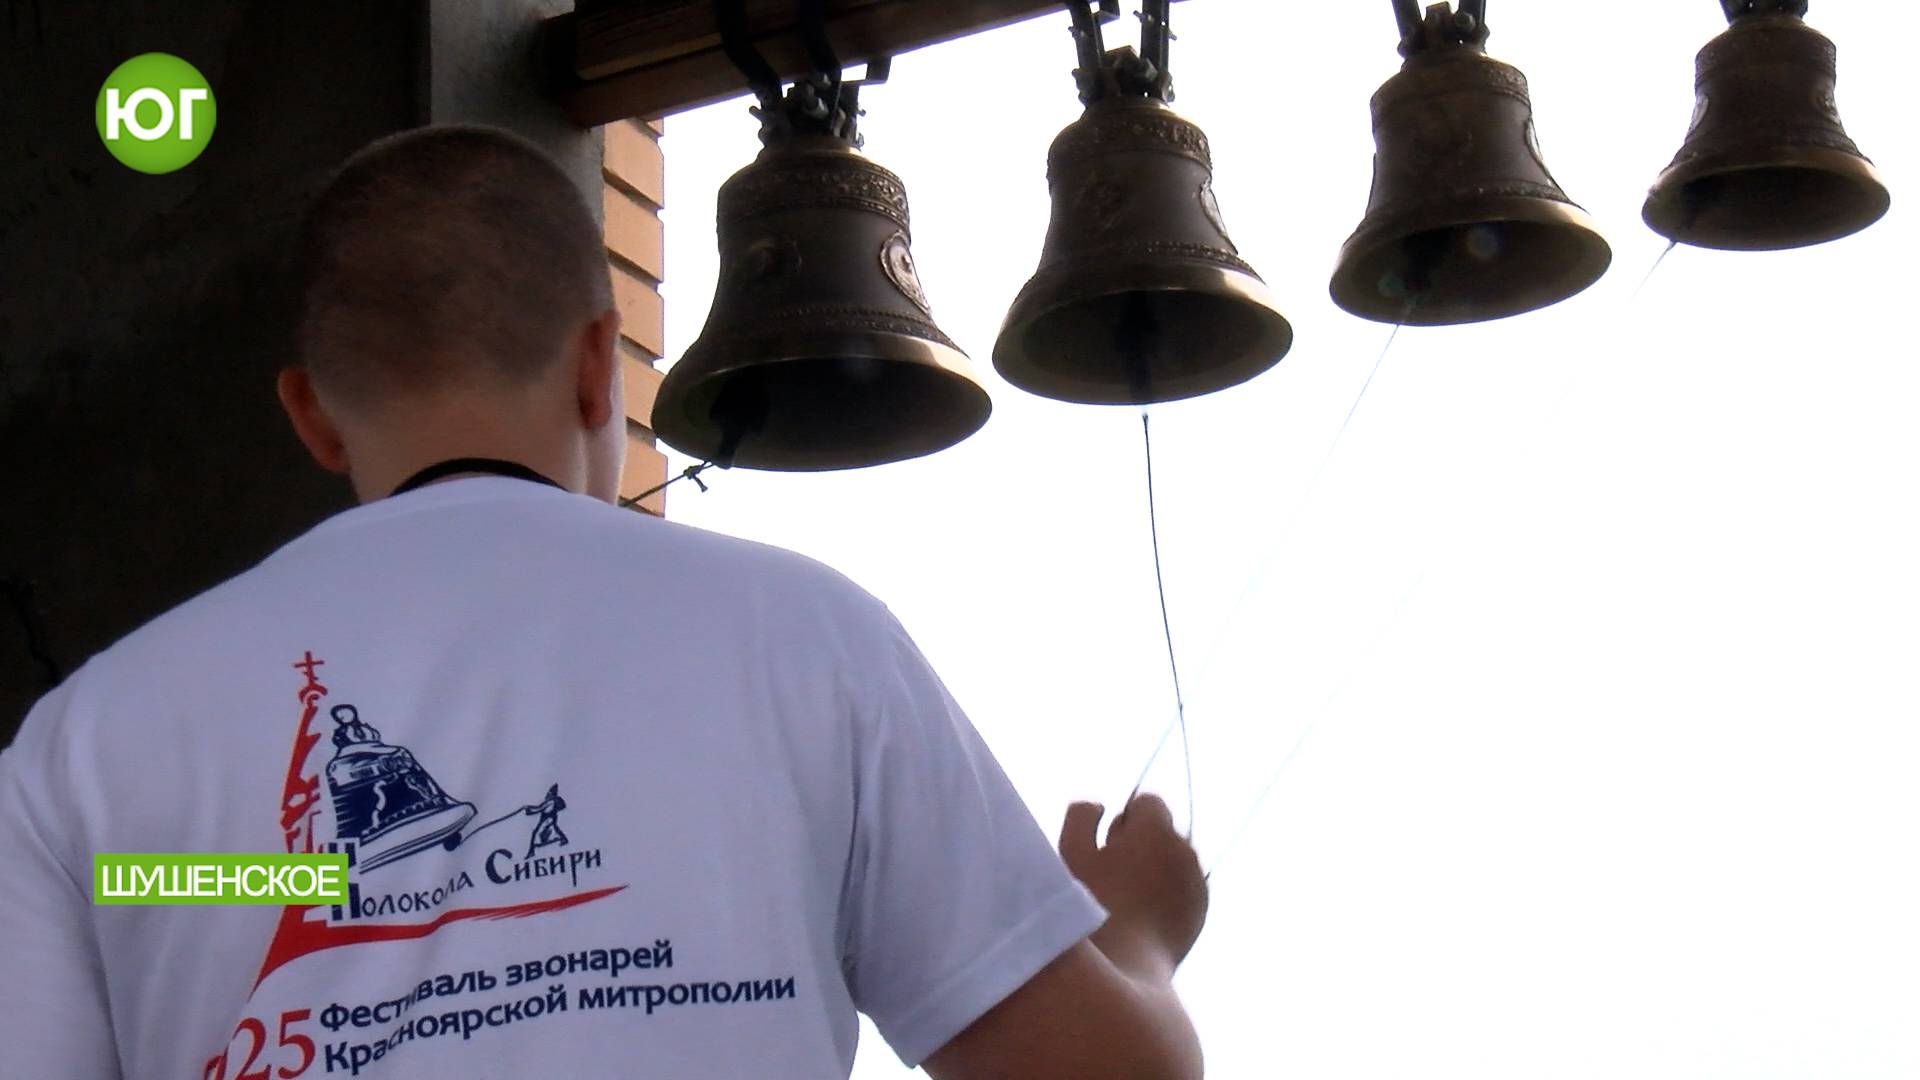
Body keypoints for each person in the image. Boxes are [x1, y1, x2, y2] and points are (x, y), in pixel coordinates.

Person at [0, 125, 1209, 1079]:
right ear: (598, 365)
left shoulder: (84, 747)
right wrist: (1139, 933)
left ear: (310, 414)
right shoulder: (805, 641)